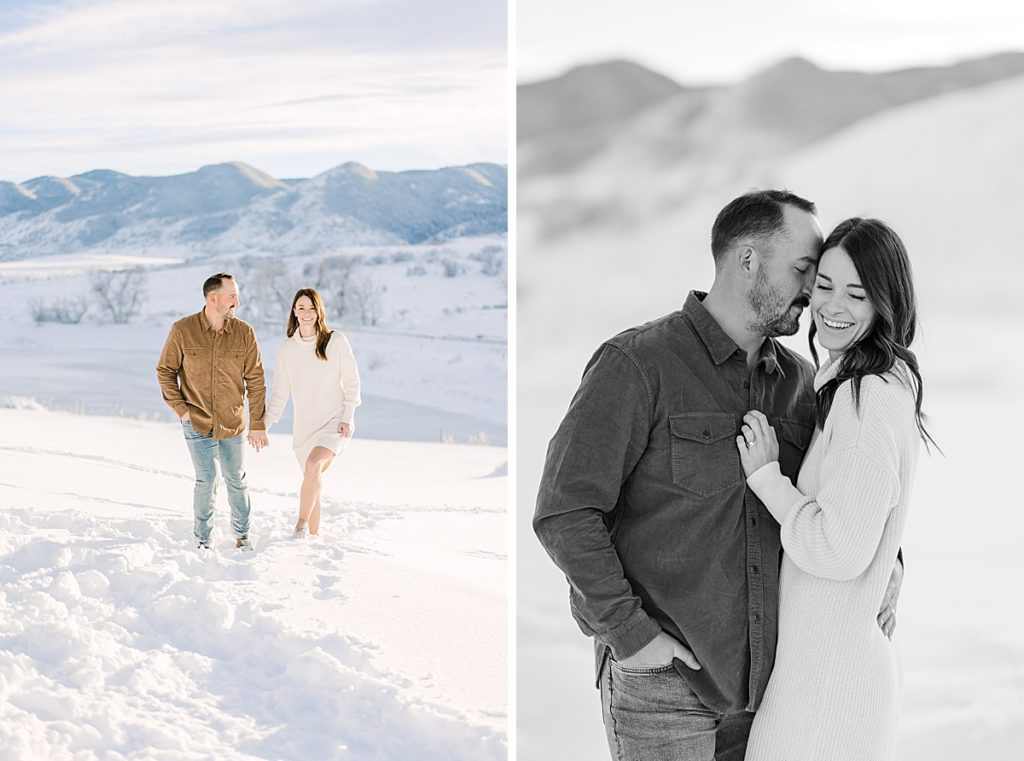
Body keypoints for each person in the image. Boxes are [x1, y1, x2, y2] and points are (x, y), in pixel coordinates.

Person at [533, 190, 902, 761]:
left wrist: (888, 566)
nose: (812, 290)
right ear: (747, 260)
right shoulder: (638, 363)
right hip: (664, 687)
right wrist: (631, 636)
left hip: (769, 694)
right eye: (804, 269)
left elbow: (849, 492)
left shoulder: (804, 385)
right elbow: (566, 511)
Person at [737, 218, 931, 760]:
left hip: (827, 694)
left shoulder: (865, 397)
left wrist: (767, 481)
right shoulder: (869, 386)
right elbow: (869, 509)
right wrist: (889, 561)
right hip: (828, 678)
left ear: (886, 302)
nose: (832, 306)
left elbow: (839, 548)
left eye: (857, 293)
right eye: (824, 285)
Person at [156, 272, 268, 551]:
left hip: (233, 421)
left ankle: (242, 536)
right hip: (196, 421)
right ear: (213, 298)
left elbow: (255, 380)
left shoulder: (244, 333)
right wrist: (182, 410)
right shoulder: (183, 330)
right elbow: (165, 371)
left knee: (236, 478)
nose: (237, 302)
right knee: (207, 479)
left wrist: (258, 423)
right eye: (232, 296)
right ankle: (202, 540)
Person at [265, 288, 361, 537]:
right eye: (301, 308)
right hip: (304, 429)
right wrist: (262, 426)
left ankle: (299, 526)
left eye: (311, 308)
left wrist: (347, 416)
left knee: (313, 463)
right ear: (294, 313)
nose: (306, 313)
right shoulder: (287, 349)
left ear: (319, 312)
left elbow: (352, 382)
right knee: (312, 479)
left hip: (334, 422)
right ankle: (313, 540)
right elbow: (279, 395)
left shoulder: (335, 340)